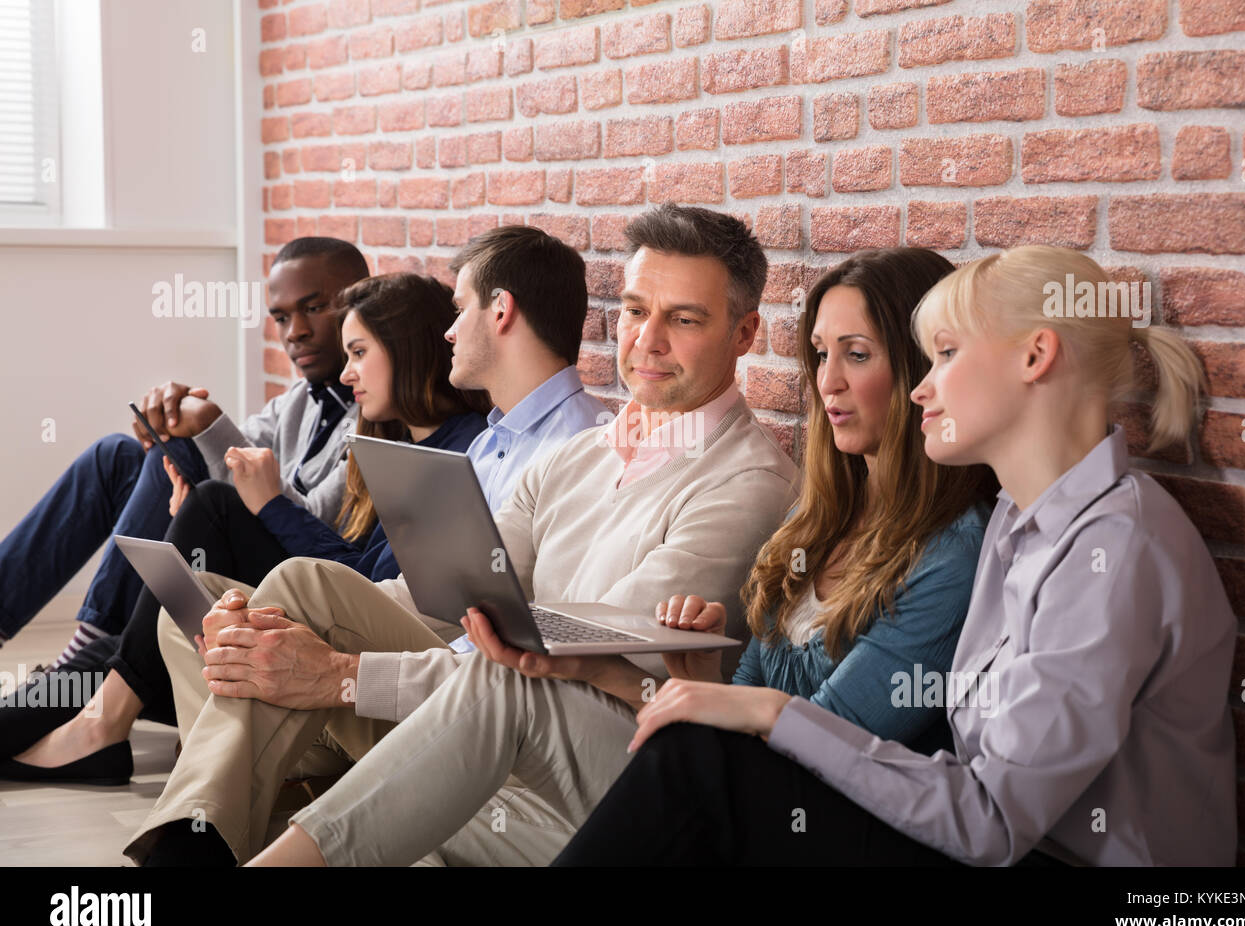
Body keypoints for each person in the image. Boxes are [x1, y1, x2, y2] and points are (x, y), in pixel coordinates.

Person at [246, 245, 1001, 868]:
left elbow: (814, 745)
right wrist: (609, 669)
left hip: (777, 825)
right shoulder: (820, 520)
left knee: (477, 727)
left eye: (858, 355)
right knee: (427, 795)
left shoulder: (939, 549)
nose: (827, 382)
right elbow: (717, 703)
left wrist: (346, 679)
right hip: (678, 761)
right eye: (819, 355)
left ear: (917, 372)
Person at [126, 204, 801, 867]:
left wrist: (341, 676)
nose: (647, 340)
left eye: (683, 320)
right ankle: (198, 842)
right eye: (633, 310)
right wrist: (308, 644)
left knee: (480, 674)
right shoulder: (582, 454)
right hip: (488, 710)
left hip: (606, 767)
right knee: (273, 600)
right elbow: (455, 596)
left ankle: (249, 817)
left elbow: (583, 663)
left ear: (744, 334)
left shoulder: (747, 485)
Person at [551, 245, 1239, 868]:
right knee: (695, 764)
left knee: (694, 766)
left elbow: (992, 820)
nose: (921, 388)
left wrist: (770, 713)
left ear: (1035, 358)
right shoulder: (1016, 522)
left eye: (944, 354)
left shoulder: (1115, 547)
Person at [0, 272, 489, 783]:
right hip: (302, 603)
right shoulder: (364, 429)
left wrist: (266, 501)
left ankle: (100, 726)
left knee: (210, 510)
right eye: (280, 318)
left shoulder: (451, 455)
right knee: (110, 645)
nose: (347, 373)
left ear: (405, 349)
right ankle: (95, 715)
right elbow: (349, 559)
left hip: (333, 643)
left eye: (359, 353)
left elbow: (355, 583)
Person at [0, 237, 366, 667]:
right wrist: (178, 420)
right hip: (240, 548)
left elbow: (315, 526)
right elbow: (225, 450)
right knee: (116, 456)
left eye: (314, 308)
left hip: (291, 581)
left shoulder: (377, 413)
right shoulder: (301, 399)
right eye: (281, 317)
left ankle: (82, 665)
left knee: (181, 449)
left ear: (360, 303)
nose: (295, 332)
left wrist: (207, 423)